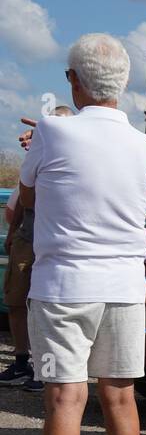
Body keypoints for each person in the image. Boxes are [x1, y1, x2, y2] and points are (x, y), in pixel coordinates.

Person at [0, 34, 146, 435]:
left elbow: (24, 198)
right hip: (126, 284)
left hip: (65, 283)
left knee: (65, 396)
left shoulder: (51, 131)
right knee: (120, 393)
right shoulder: (145, 144)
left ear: (74, 80)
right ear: (123, 84)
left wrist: (42, 142)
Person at [1, 105, 75, 393]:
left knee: (47, 308)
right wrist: (13, 231)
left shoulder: (76, 154)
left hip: (56, 242)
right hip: (27, 237)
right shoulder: (40, 151)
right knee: (16, 300)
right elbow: (24, 195)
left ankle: (45, 370)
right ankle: (21, 361)